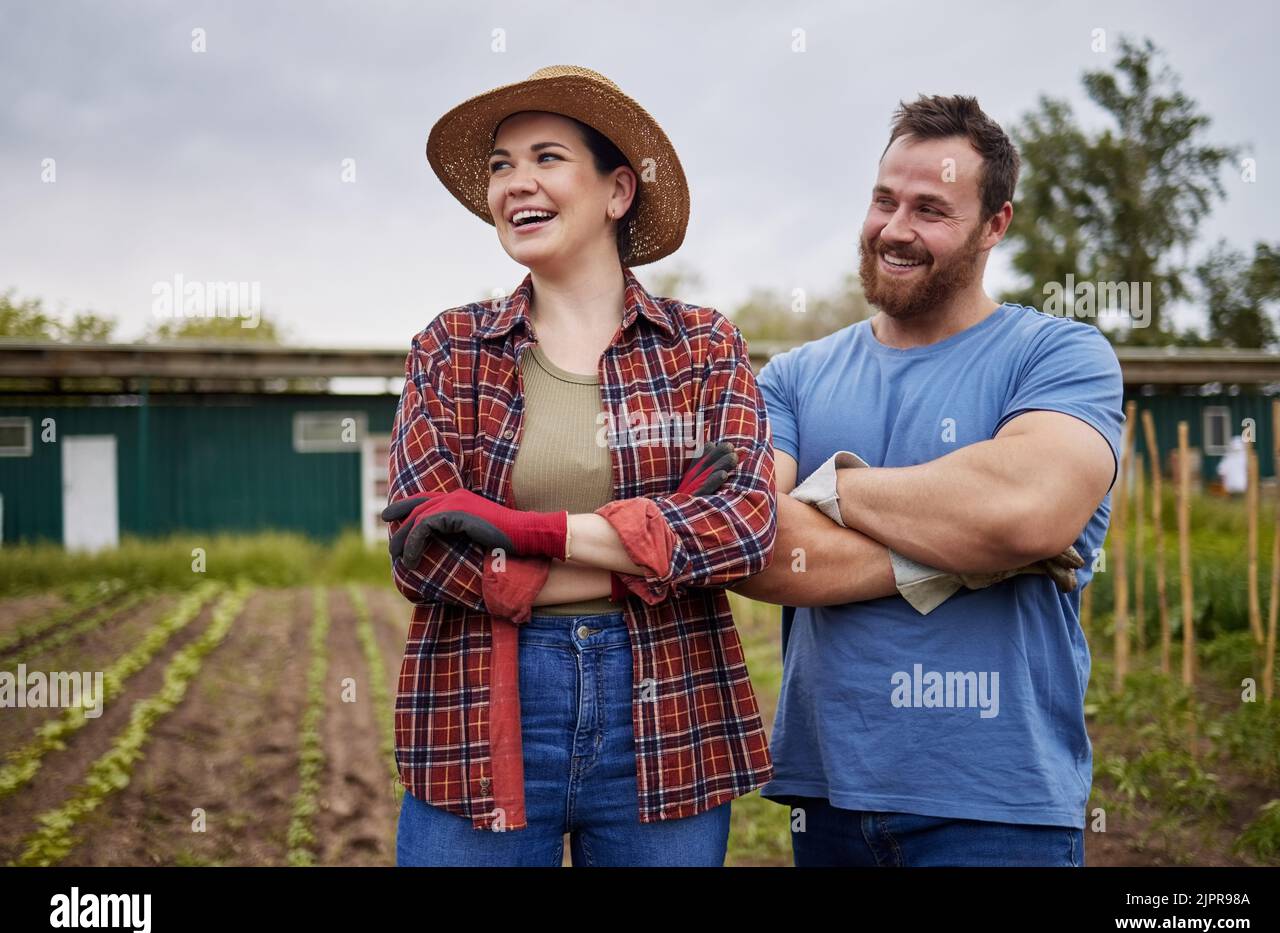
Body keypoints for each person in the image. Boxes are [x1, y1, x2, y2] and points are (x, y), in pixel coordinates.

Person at [386, 65, 777, 867]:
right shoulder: (450, 349)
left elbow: (743, 526)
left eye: (546, 157)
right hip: (479, 713)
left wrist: (516, 530)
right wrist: (653, 558)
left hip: (667, 714)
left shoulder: (703, 345)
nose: (515, 183)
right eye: (501, 165)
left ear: (617, 191)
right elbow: (423, 551)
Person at [731, 94, 1124, 866]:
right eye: (885, 200)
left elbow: (1024, 512)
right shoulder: (795, 377)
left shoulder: (1059, 357)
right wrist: (965, 548)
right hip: (829, 795)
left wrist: (829, 489)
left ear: (995, 225)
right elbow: (751, 542)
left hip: (998, 804)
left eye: (932, 209)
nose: (896, 229)